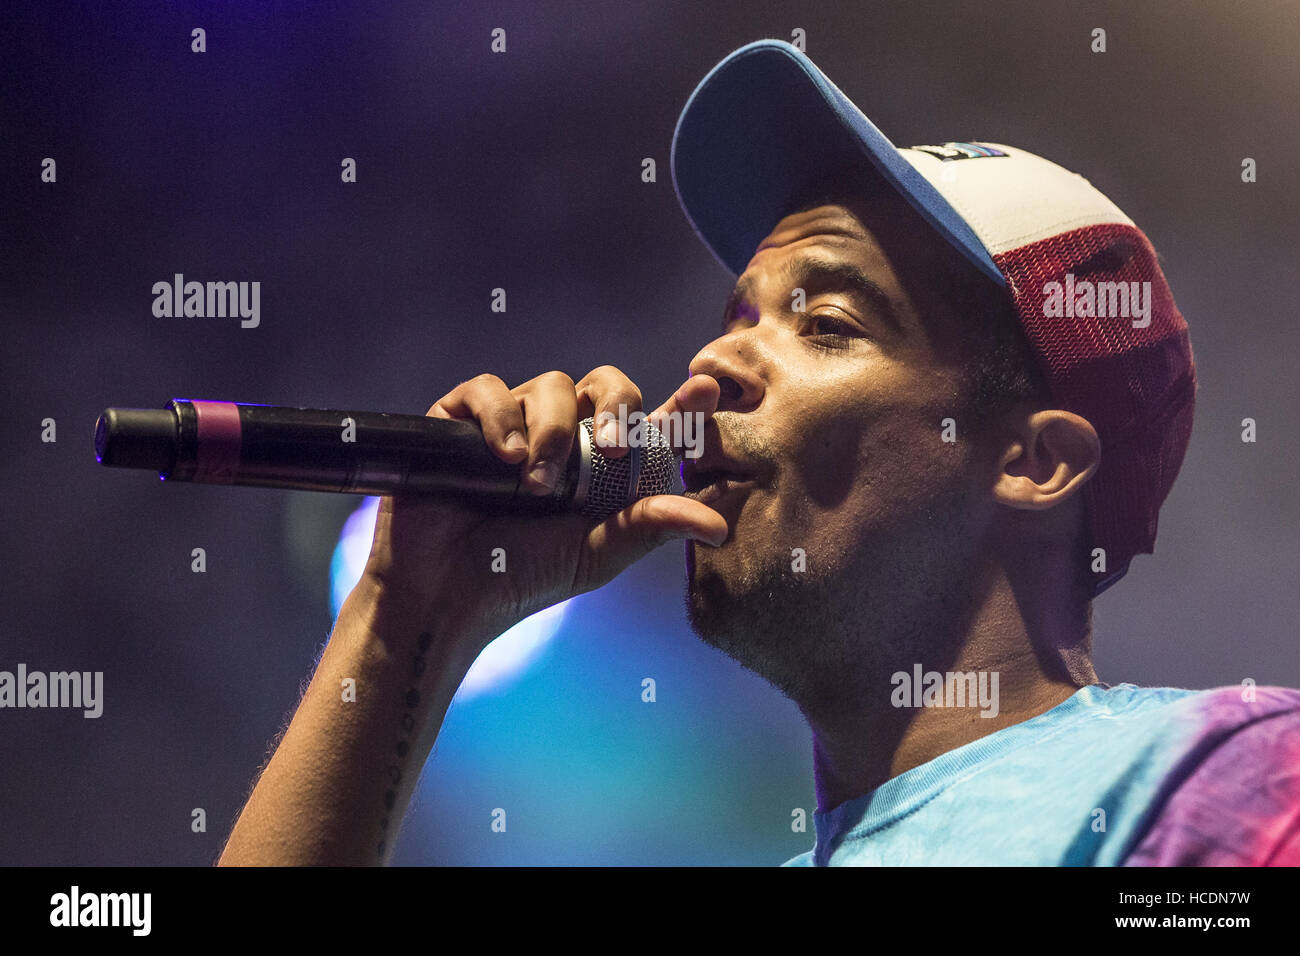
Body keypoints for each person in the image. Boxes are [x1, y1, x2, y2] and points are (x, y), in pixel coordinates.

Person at [218, 40, 1300, 866]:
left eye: (826, 322)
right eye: (737, 316)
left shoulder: (1227, 776)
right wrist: (411, 614)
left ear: (1032, 463)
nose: (709, 364)